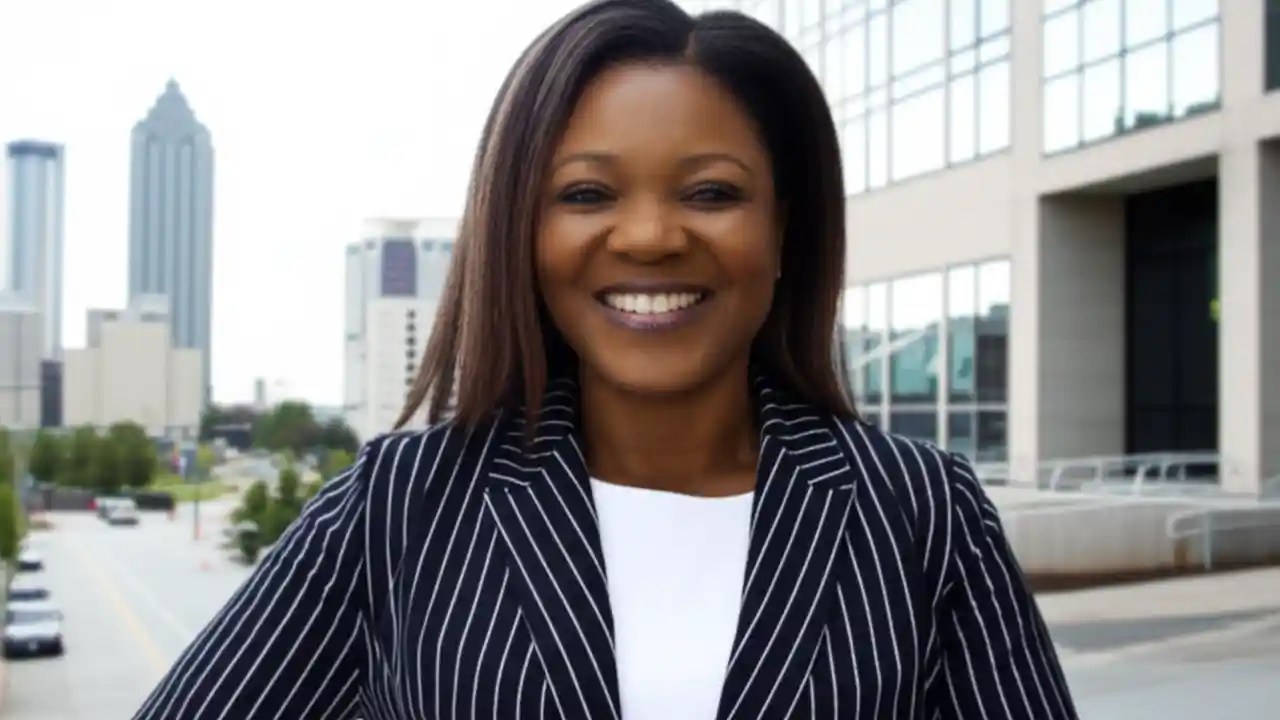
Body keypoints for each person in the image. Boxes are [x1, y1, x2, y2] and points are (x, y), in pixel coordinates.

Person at [134, 0, 1077, 718]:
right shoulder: (400, 509)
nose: (653, 236)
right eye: (586, 193)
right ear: (520, 227)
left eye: (712, 191)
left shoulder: (920, 517)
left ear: (781, 228)